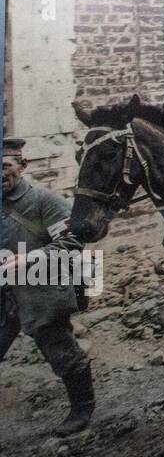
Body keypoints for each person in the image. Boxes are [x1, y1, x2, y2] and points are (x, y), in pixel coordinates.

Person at [1, 136, 95, 436]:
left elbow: (73, 240)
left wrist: (28, 259)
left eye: (5, 166)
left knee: (61, 351)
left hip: (39, 291)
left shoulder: (43, 201)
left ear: (22, 166)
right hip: (5, 295)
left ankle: (82, 408)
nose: (0, 174)